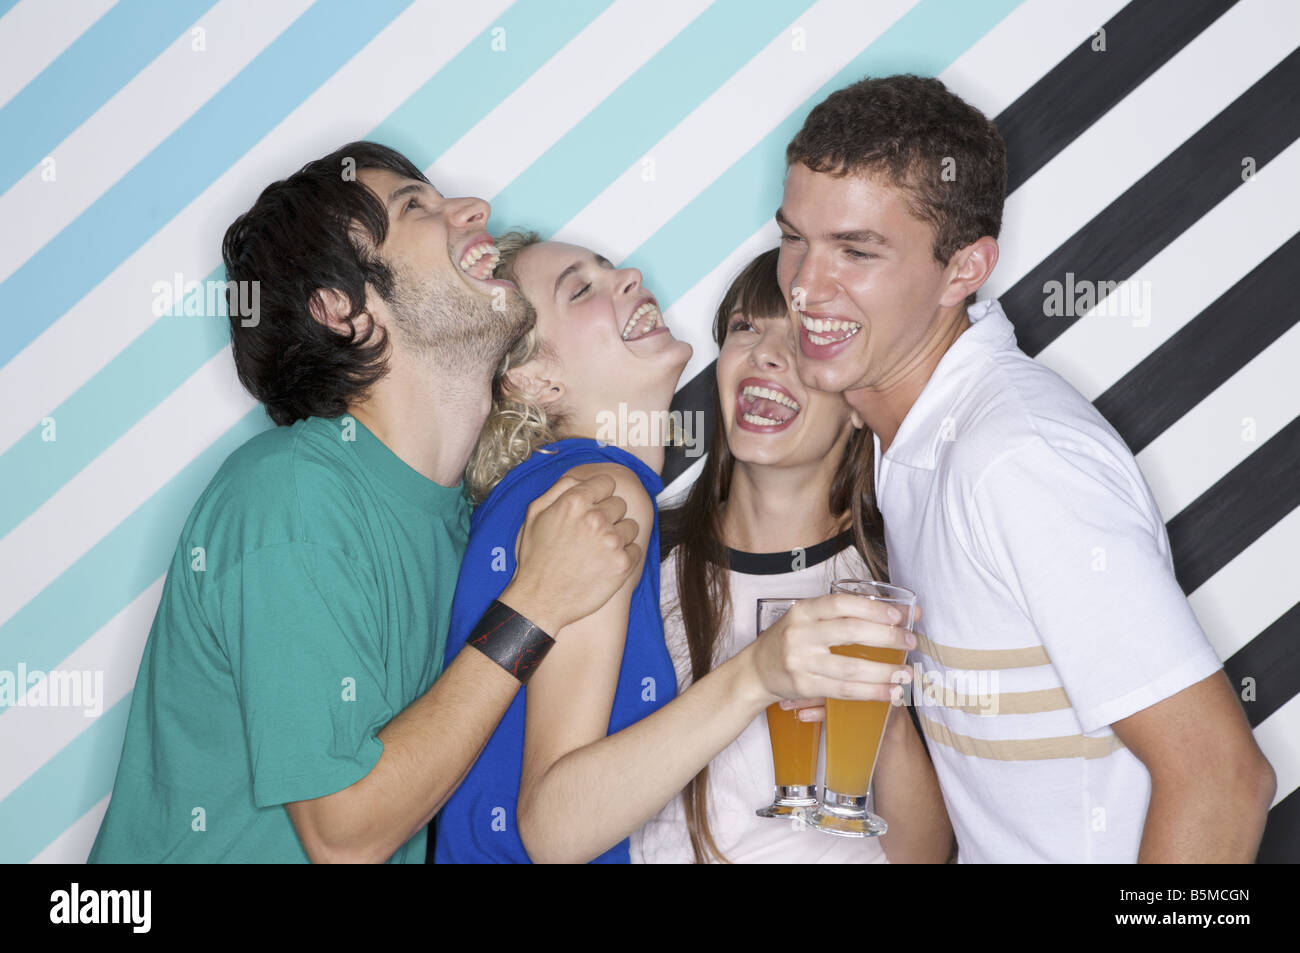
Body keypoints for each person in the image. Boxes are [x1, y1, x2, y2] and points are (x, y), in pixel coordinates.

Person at [89, 142, 642, 864]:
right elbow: (345, 832)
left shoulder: (468, 525)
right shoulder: (288, 496)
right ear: (341, 308)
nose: (473, 211)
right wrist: (535, 603)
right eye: (416, 206)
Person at [777, 75, 1275, 862]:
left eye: (856, 251)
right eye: (795, 238)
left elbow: (1224, 777)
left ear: (963, 271)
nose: (805, 287)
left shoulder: (1017, 459)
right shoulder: (902, 433)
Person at [434, 234, 917, 863]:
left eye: (803, 338)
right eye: (745, 327)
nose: (630, 275)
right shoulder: (604, 500)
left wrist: (886, 712)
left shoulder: (571, 490)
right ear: (532, 379)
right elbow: (551, 827)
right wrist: (758, 673)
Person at [632, 248, 952, 863]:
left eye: (806, 335)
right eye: (745, 327)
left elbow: (925, 858)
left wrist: (873, 695)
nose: (767, 353)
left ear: (860, 401)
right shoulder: (639, 553)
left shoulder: (903, 579)